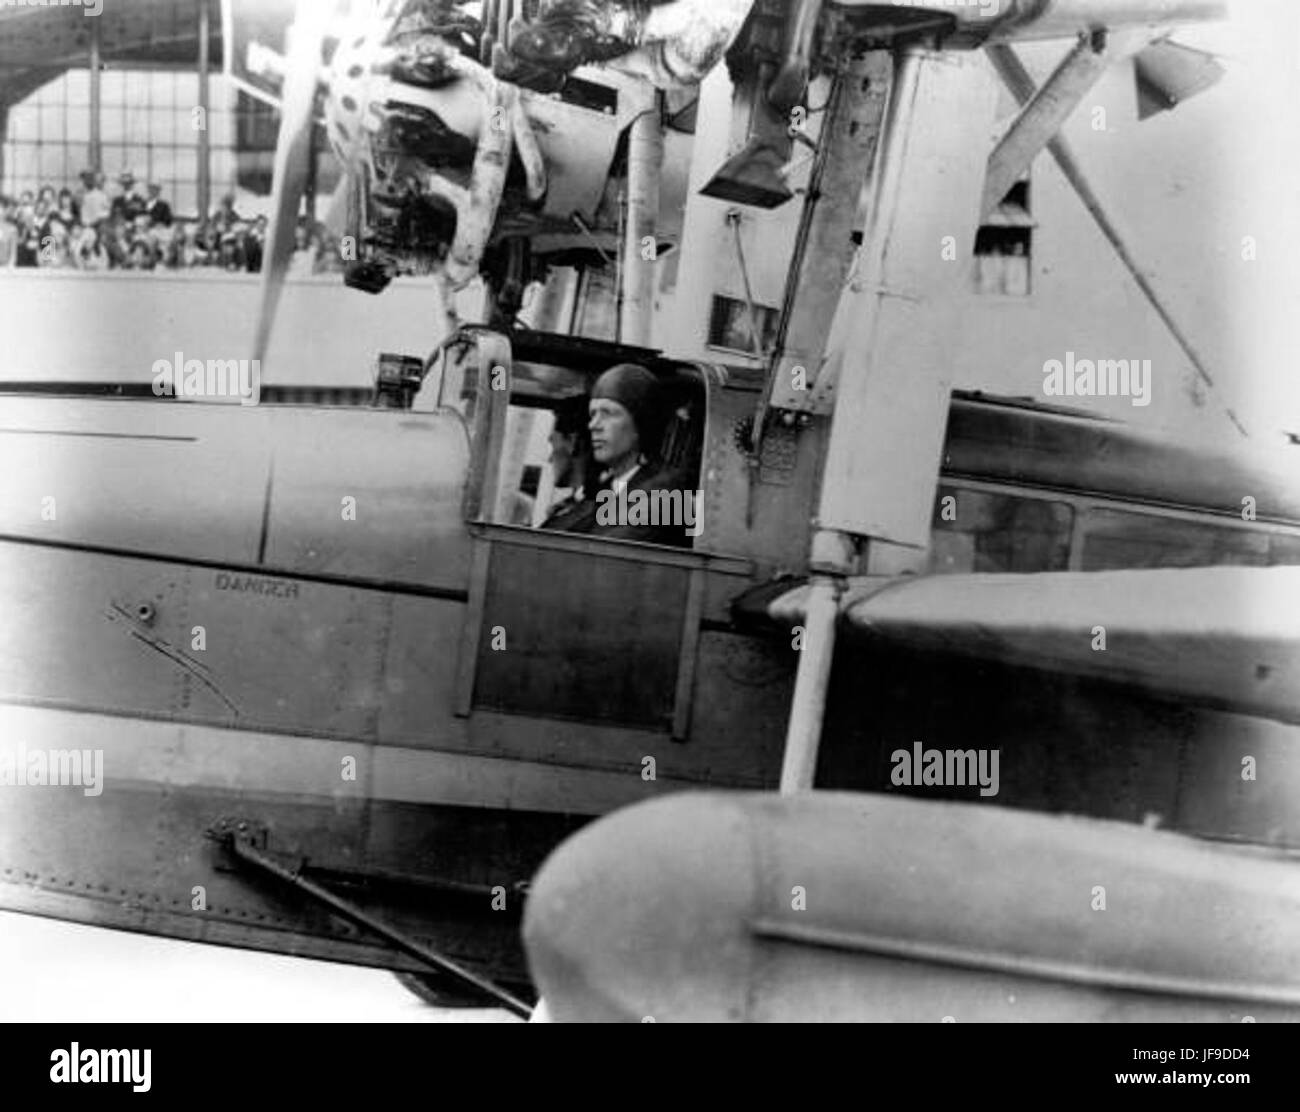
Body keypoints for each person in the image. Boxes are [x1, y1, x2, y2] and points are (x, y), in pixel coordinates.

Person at [544, 363, 696, 547]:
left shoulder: (668, 494)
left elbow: (602, 553)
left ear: (640, 423)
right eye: (593, 415)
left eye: (608, 413)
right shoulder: (606, 489)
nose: (594, 425)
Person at [539, 395, 598, 531]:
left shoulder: (581, 515)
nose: (550, 459)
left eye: (553, 444)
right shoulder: (575, 507)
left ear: (573, 442)